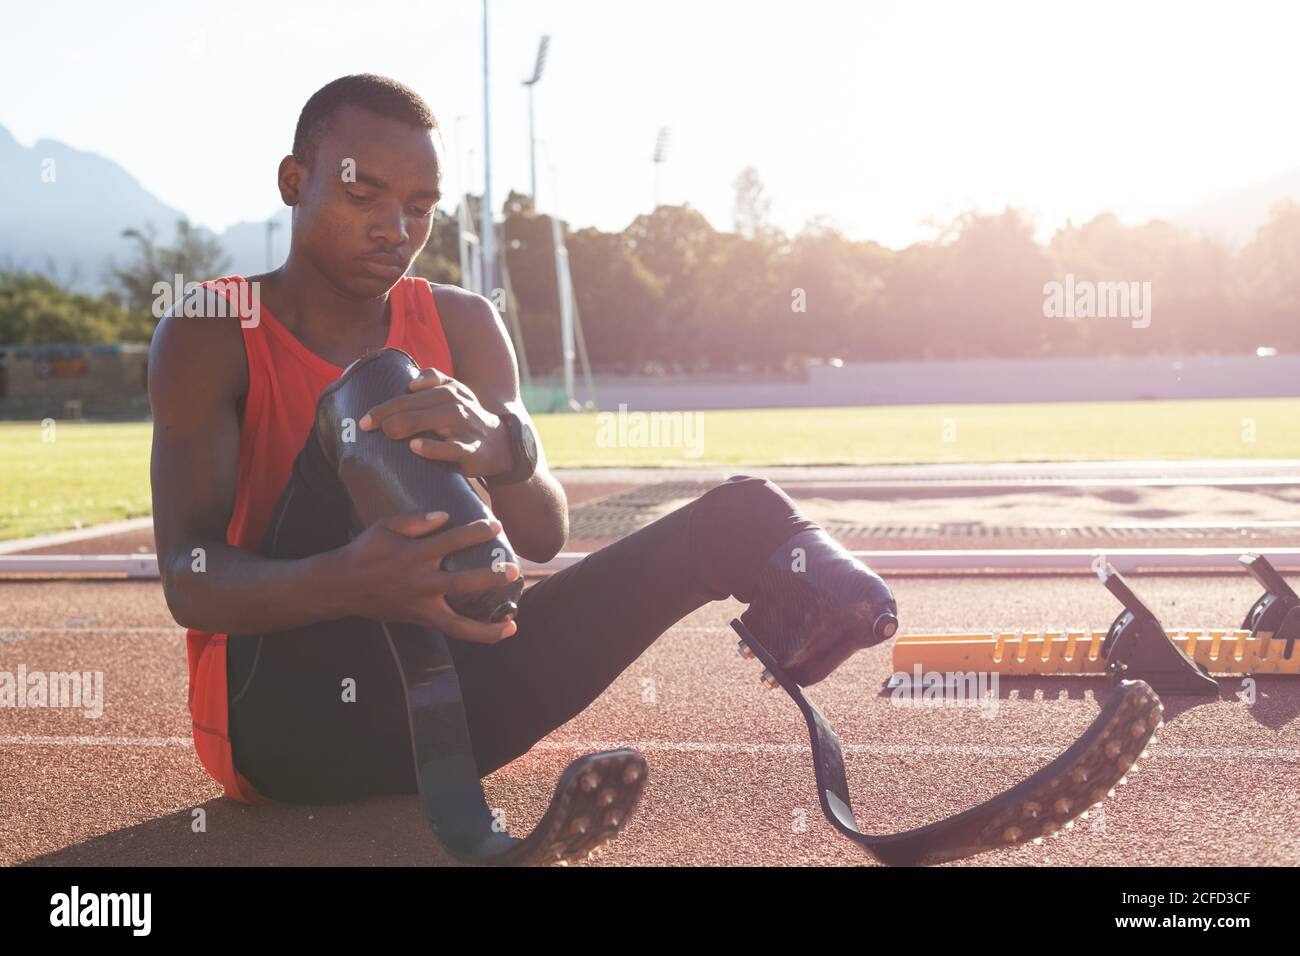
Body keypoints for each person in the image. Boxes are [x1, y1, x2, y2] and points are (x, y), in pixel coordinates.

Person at [148, 74, 897, 810]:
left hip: (453, 712)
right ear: (293, 180)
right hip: (286, 731)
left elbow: (543, 535)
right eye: (362, 194)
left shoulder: (465, 320)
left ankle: (888, 785)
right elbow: (190, 579)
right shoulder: (212, 328)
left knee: (748, 513)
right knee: (379, 389)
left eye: (419, 207)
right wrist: (351, 580)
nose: (395, 229)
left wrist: (503, 448)